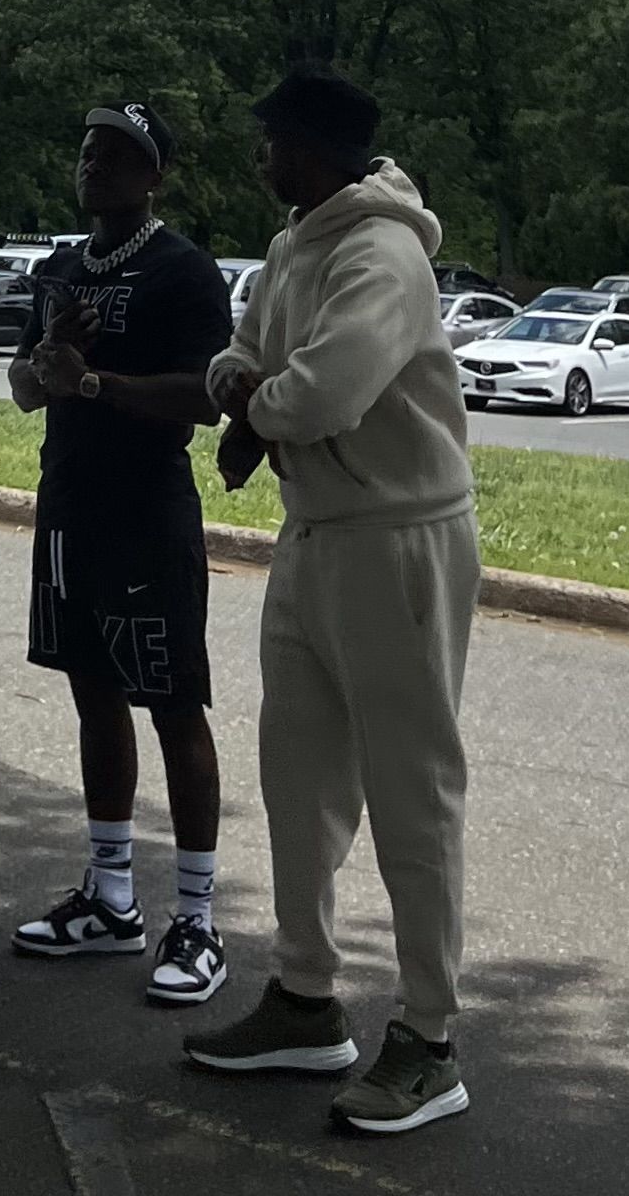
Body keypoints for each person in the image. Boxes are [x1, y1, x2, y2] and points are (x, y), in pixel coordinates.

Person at [181, 65, 480, 1137]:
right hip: (313, 537)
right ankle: (306, 999)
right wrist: (238, 387)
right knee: (300, 775)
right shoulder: (292, 244)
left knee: (412, 789)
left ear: (316, 149)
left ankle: (431, 1041)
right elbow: (252, 354)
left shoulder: (385, 252)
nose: (261, 160)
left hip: (401, 538)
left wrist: (253, 414)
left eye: (273, 143)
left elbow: (327, 388)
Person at [6, 102, 237, 1007]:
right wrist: (55, 358)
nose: (93, 165)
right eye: (86, 149)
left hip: (148, 515)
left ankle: (199, 918)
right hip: (69, 508)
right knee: (92, 693)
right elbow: (28, 386)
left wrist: (95, 380)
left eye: (117, 154)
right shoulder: (59, 269)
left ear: (155, 176)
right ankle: (109, 899)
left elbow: (206, 398)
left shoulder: (183, 271)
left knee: (174, 705)